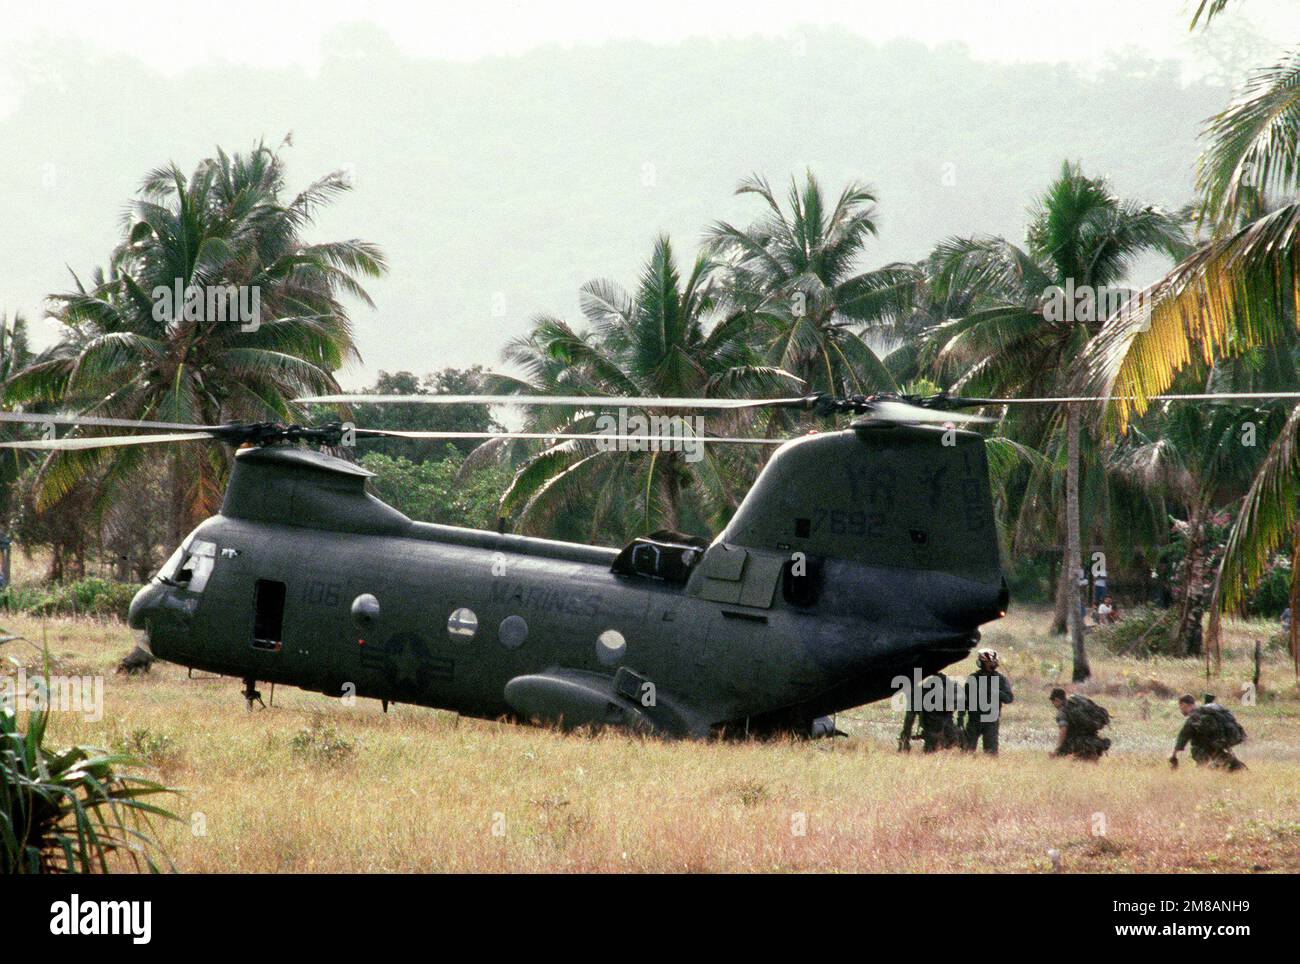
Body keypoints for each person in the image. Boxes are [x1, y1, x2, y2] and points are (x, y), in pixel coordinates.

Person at [1170, 694, 1247, 772]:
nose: (1181, 710)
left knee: (1198, 754)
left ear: (1184, 705)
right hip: (1221, 745)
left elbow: (1182, 739)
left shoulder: (1192, 719)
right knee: (1228, 763)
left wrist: (1173, 756)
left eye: (1181, 707)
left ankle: (1210, 770)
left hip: (1208, 750)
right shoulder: (1209, 713)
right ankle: (1240, 771)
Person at [959, 648, 1013, 754]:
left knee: (991, 753)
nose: (991, 664)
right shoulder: (973, 678)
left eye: (992, 662)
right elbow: (964, 699)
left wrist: (994, 691)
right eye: (988, 662)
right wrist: (960, 716)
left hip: (991, 721)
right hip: (974, 720)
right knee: (966, 751)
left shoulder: (1000, 679)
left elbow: (1008, 698)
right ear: (982, 662)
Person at [899, 672, 962, 753]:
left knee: (934, 746)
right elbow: (909, 721)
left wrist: (904, 743)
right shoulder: (922, 692)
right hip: (937, 725)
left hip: (940, 725)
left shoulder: (920, 693)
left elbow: (909, 721)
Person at [1048, 687, 1112, 761]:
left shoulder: (1062, 712)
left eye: (1053, 702)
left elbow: (1063, 730)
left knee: (1077, 767)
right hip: (1093, 741)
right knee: (1091, 768)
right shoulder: (1077, 702)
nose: (1053, 705)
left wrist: (1057, 749)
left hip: (1079, 745)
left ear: (1057, 700)